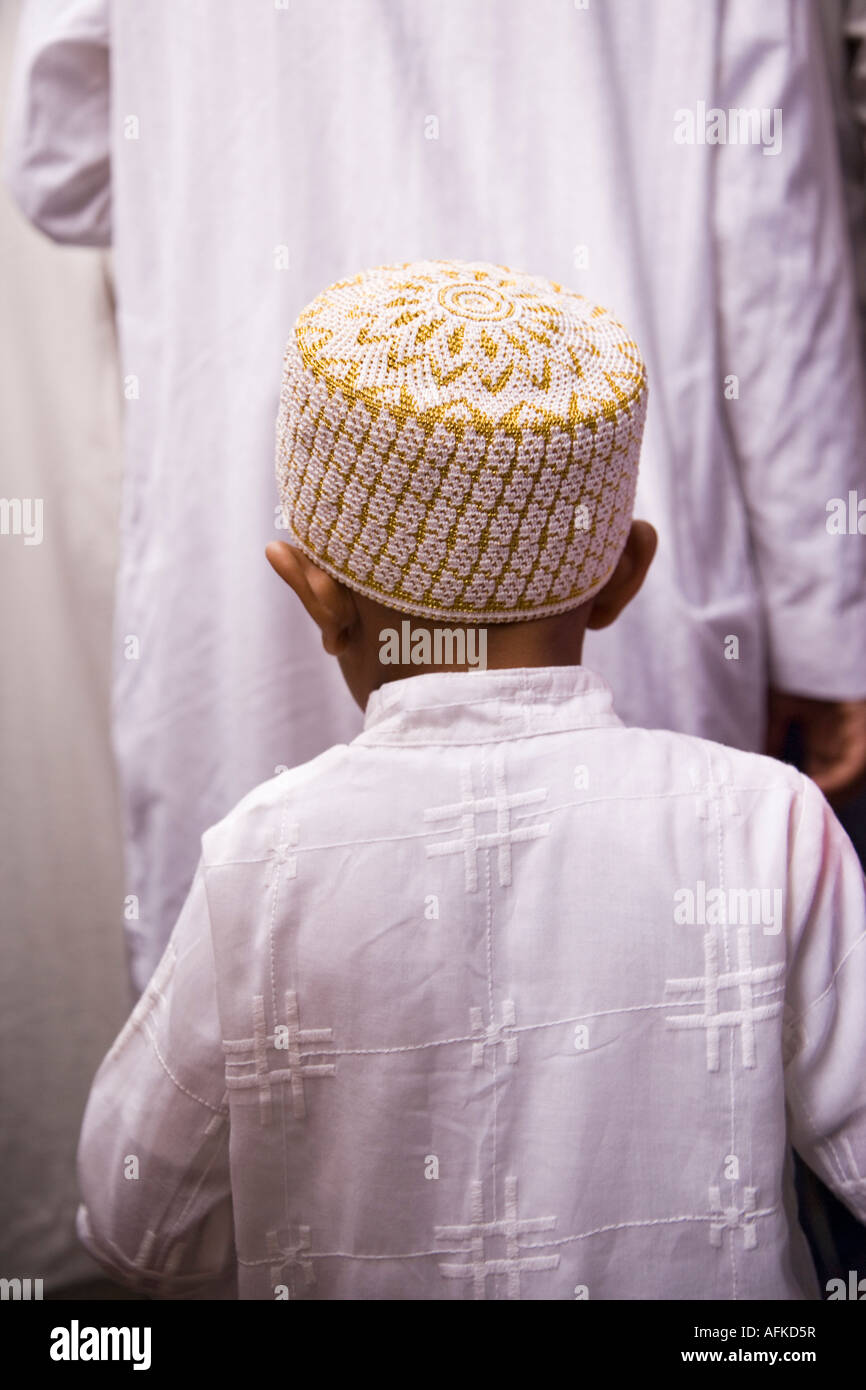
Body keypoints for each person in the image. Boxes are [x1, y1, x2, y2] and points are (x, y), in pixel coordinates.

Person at [6, 0, 866, 996]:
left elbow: (59, 163)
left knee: (272, 1028)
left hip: (271, 528)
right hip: (595, 523)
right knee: (631, 1019)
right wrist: (821, 616)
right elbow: (771, 234)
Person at [74, 261, 866, 1300]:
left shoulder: (261, 863)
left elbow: (133, 1220)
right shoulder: (767, 825)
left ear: (315, 594)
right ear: (623, 575)